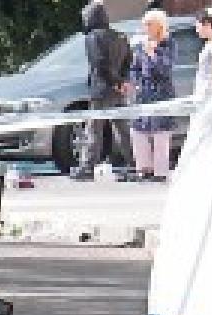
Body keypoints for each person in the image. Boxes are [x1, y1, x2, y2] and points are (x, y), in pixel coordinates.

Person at [74, 0, 133, 181]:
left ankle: (86, 168)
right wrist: (121, 81)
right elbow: (128, 61)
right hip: (118, 90)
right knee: (123, 129)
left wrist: (112, 81)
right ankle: (135, 163)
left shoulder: (93, 37)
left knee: (94, 130)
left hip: (101, 88)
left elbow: (99, 63)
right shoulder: (121, 36)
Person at [128, 9, 176, 182]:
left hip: (161, 92)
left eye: (149, 24)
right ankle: (144, 168)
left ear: (159, 26)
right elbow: (134, 67)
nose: (145, 27)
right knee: (138, 130)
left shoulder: (168, 43)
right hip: (144, 92)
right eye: (144, 24)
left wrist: (152, 53)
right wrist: (135, 82)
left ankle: (161, 171)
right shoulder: (142, 43)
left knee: (160, 132)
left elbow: (165, 68)